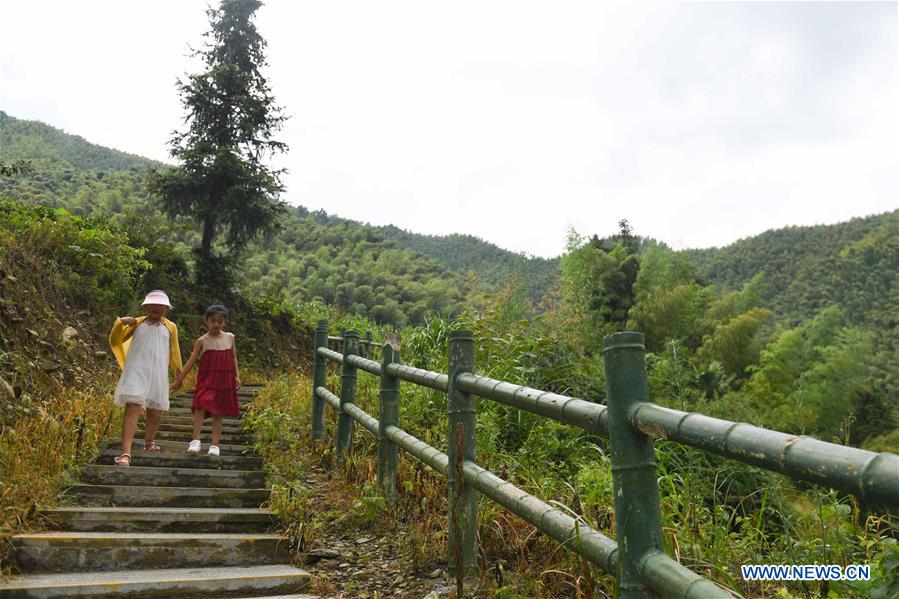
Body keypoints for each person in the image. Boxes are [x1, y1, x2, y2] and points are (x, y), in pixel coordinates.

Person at [108, 290, 183, 467]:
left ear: (166, 308)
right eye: (152, 304)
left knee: (155, 409)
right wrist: (120, 323)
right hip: (136, 370)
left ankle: (149, 441)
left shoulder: (170, 327)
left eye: (160, 305)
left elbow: (175, 352)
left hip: (158, 372)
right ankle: (126, 452)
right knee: (133, 406)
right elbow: (115, 339)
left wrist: (179, 376)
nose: (155, 307)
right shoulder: (137, 323)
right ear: (146, 306)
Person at [170, 303, 241, 457]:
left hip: (224, 379)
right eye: (213, 321)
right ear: (206, 321)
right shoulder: (202, 340)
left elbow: (234, 357)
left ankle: (215, 445)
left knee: (218, 411)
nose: (216, 324)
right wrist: (179, 379)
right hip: (207, 378)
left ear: (225, 322)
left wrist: (237, 376)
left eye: (220, 321)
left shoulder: (230, 337)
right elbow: (191, 361)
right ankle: (195, 440)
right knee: (200, 404)